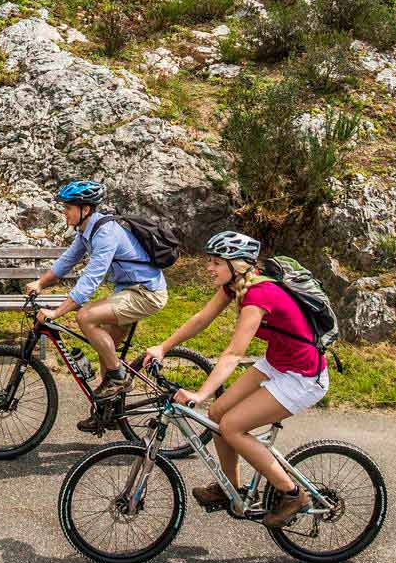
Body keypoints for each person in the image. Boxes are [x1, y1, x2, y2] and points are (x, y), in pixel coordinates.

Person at [141, 231, 327, 528]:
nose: (208, 267)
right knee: (217, 414)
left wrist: (200, 393)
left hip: (302, 376)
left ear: (237, 264)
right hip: (277, 363)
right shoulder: (236, 285)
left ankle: (292, 493)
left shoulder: (258, 294)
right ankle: (232, 490)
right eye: (209, 261)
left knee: (232, 427)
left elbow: (233, 354)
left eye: (215, 262)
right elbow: (202, 319)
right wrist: (163, 346)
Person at [23, 179, 169, 433]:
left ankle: (117, 379)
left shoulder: (105, 232)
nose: (64, 211)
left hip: (146, 293)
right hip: (128, 291)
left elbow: (92, 277)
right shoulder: (86, 230)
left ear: (85, 209)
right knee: (106, 347)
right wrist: (40, 283)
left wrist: (57, 312)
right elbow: (67, 261)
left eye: (68, 207)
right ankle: (108, 412)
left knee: (86, 316)